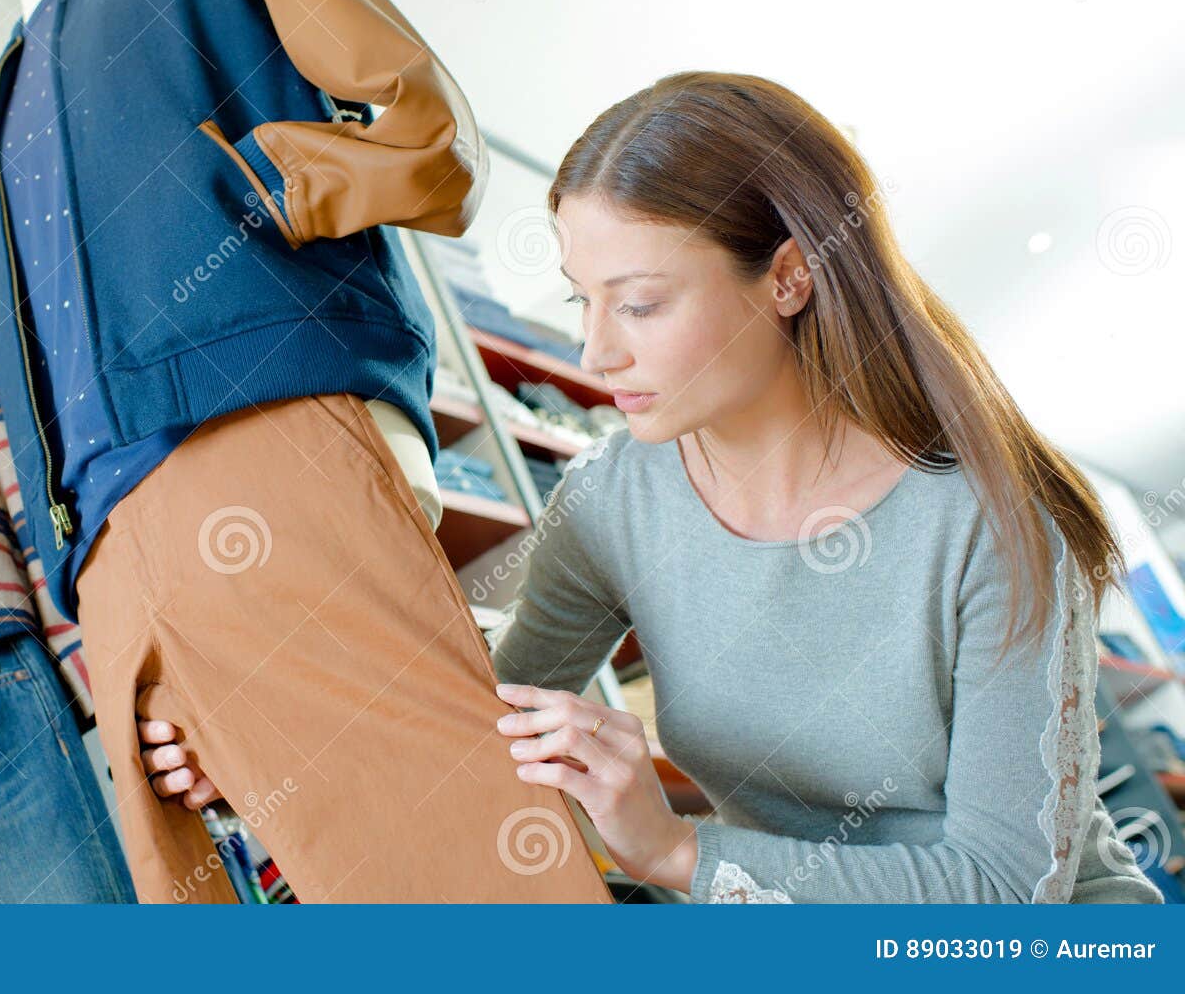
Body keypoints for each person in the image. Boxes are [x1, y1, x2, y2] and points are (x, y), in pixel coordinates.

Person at [136, 72, 1163, 903]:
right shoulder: (620, 494)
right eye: (584, 303)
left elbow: (1002, 889)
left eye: (638, 304)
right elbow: (467, 723)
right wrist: (251, 754)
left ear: (789, 277)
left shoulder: (990, 524)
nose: (594, 352)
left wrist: (675, 853)